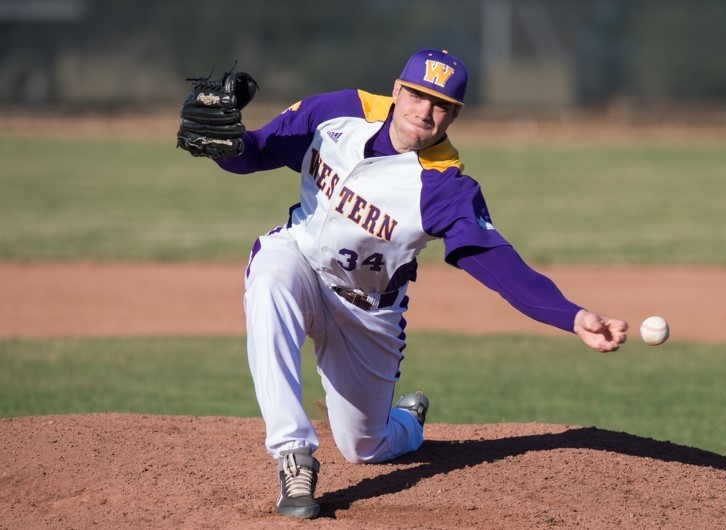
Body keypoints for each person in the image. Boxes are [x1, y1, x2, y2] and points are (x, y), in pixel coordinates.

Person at [206, 49, 627, 519]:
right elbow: (253, 153)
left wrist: (572, 316)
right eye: (418, 95)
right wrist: (224, 143)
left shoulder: (444, 186)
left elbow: (496, 262)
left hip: (367, 310)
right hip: (298, 262)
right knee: (269, 280)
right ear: (397, 90)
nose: (424, 111)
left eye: (441, 104)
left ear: (455, 115)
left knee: (364, 446)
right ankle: (293, 456)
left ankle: (405, 421)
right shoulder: (338, 113)